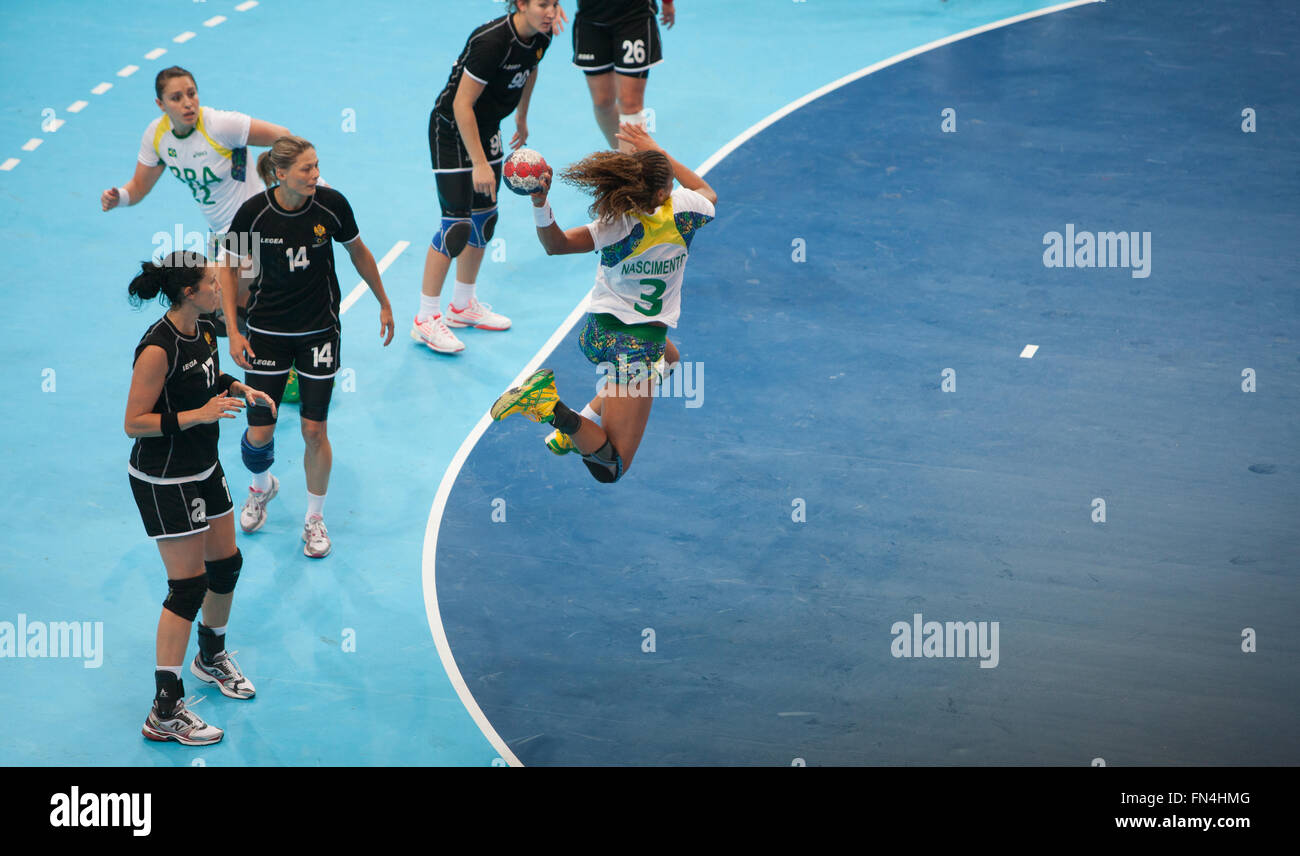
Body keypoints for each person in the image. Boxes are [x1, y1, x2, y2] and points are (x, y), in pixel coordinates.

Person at [490, 124, 715, 483]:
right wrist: (656, 147)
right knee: (610, 466)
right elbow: (707, 191)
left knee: (670, 361)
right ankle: (552, 409)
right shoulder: (686, 211)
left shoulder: (617, 222)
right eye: (669, 183)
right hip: (636, 346)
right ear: (661, 192)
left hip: (600, 331)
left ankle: (578, 424)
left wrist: (539, 202)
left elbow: (556, 245)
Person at [125, 251, 277, 744]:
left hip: (204, 466)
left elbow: (210, 381)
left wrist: (241, 388)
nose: (221, 287)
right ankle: (164, 710)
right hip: (166, 478)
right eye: (213, 281)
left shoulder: (206, 329)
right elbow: (134, 423)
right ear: (188, 292)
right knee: (187, 588)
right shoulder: (157, 347)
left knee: (227, 564)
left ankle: (210, 657)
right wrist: (199, 415)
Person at [220, 137, 395, 558]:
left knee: (314, 429)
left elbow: (359, 253)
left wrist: (384, 303)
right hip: (266, 333)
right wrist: (234, 329)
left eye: (316, 166)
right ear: (280, 174)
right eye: (305, 169)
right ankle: (262, 488)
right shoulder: (255, 214)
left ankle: (314, 518)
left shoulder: (332, 206)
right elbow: (227, 270)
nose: (315, 175)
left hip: (319, 331)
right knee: (258, 434)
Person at [412, 0, 559, 355]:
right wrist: (479, 162)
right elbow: (461, 105)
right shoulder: (492, 42)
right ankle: (426, 319)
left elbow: (531, 69)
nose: (551, 11)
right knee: (456, 225)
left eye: (555, 3)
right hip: (451, 128)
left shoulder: (542, 35)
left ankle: (462, 306)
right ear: (521, 4)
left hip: (487, 125)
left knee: (485, 218)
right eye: (543, 4)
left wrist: (521, 117)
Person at [101, 66, 291, 338]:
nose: (188, 103)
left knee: (206, 299)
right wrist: (118, 197)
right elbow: (138, 188)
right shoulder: (158, 136)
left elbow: (284, 136)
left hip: (254, 227)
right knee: (232, 311)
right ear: (160, 104)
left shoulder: (221, 125)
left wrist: (282, 181)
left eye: (191, 93)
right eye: (176, 98)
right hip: (221, 235)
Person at [569, 0, 675, 152]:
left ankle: (632, 168)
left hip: (634, 16)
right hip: (590, 17)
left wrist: (667, 2)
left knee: (630, 103)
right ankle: (622, 155)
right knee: (602, 104)